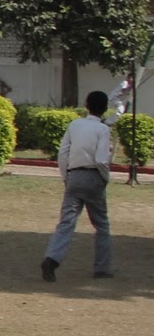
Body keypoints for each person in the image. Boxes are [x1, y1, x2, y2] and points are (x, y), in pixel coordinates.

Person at [41, 90, 113, 282]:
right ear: (105, 108)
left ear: (86, 105)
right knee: (102, 225)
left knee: (67, 222)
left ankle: (52, 258)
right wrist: (105, 178)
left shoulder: (75, 125)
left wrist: (66, 177)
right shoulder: (103, 130)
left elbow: (63, 153)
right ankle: (101, 268)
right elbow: (101, 160)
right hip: (94, 176)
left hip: (74, 176)